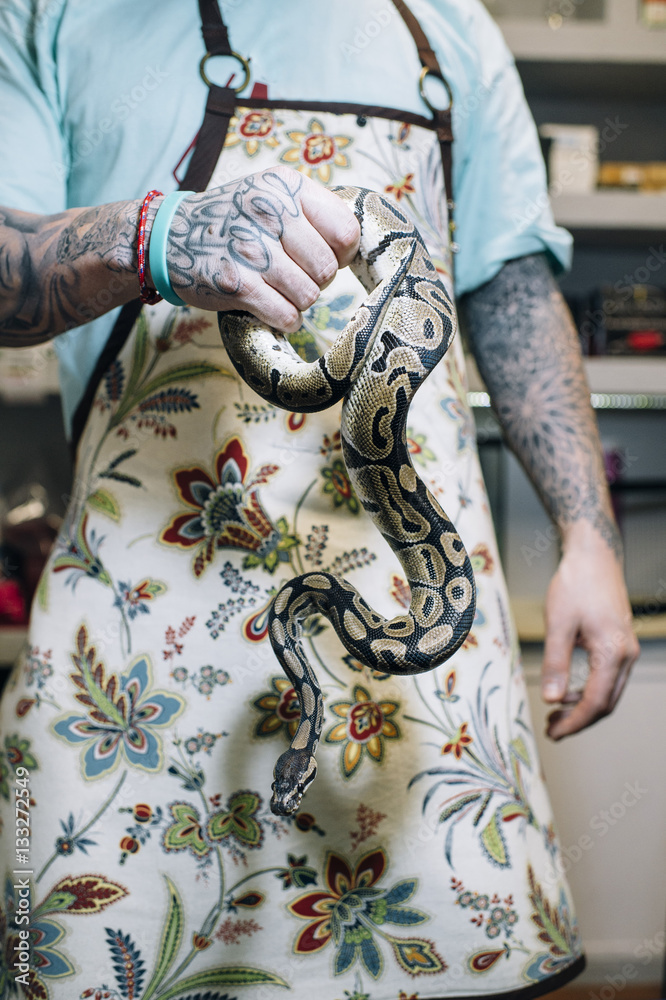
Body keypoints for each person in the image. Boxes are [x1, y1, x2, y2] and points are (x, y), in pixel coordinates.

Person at [0, 1, 639, 998]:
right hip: (131, 656)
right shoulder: (47, 10)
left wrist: (588, 538)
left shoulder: (447, 23)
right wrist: (158, 235)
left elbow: (510, 283)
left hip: (424, 641)